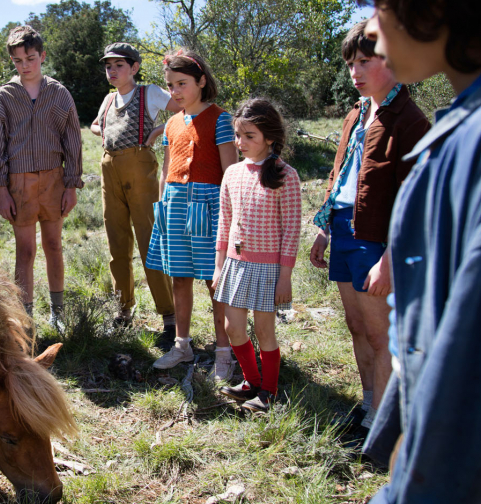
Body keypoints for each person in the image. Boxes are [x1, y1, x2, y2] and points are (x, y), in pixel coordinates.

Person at [342, 0, 481, 504]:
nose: (370, 27)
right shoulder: (470, 122)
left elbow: (479, 352)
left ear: (437, 0)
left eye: (380, 4)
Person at [309, 21, 430, 434]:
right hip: (343, 228)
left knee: (382, 337)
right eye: (350, 64)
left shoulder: (410, 122)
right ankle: (367, 406)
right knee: (357, 327)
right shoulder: (357, 113)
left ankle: (384, 425)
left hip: (377, 241)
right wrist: (325, 229)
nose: (355, 72)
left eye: (365, 61)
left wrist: (391, 260)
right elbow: (340, 175)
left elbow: (416, 204)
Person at [146, 48, 237, 372]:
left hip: (210, 207)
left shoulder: (221, 119)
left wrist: (231, 218)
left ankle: (224, 352)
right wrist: (161, 208)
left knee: (216, 281)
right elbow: (166, 170)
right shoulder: (172, 123)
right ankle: (182, 346)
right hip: (175, 205)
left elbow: (231, 173)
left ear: (201, 81)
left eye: (181, 84)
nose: (175, 92)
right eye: (170, 86)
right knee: (180, 277)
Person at [0, 25, 83, 326]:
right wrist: (3, 190)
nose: (25, 65)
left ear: (42, 55)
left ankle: (59, 313)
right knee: (25, 250)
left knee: (53, 245)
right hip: (19, 183)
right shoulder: (5, 95)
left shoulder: (58, 93)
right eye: (18, 60)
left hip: (54, 180)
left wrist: (71, 185)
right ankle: (25, 316)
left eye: (30, 58)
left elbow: (72, 139)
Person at [89, 42, 181, 349]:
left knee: (149, 240)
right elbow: (95, 125)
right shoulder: (108, 98)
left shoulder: (149, 92)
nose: (113, 71)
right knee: (117, 241)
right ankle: (124, 309)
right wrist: (101, 132)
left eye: (119, 65)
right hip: (109, 168)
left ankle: (169, 317)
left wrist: (157, 133)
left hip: (139, 166)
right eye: (108, 66)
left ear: (135, 68)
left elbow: (183, 109)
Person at [215, 99, 302, 412]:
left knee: (265, 330)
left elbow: (292, 231)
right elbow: (224, 224)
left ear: (269, 137)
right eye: (238, 135)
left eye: (249, 136)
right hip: (235, 265)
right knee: (232, 328)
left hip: (269, 269)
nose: (241, 143)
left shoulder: (284, 175)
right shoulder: (233, 173)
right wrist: (218, 267)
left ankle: (270, 391)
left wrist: (285, 276)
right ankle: (251, 382)